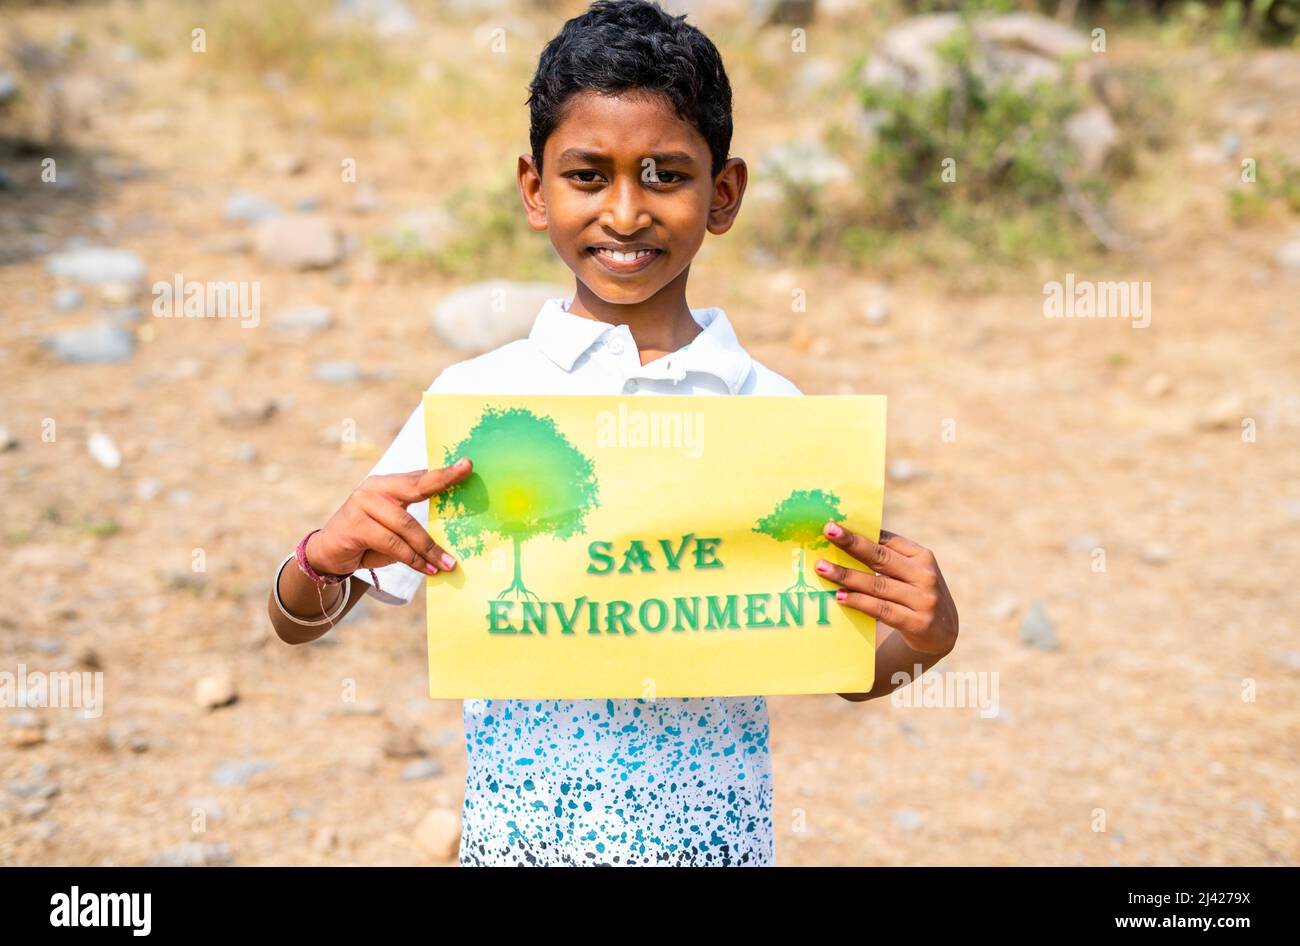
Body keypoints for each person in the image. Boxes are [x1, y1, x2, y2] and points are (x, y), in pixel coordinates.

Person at [267, 0, 958, 866]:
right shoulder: (480, 403)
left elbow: (847, 668)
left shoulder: (775, 417)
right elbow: (298, 624)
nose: (626, 213)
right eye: (587, 176)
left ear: (724, 193)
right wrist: (319, 559)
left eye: (666, 175)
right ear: (534, 189)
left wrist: (930, 638)